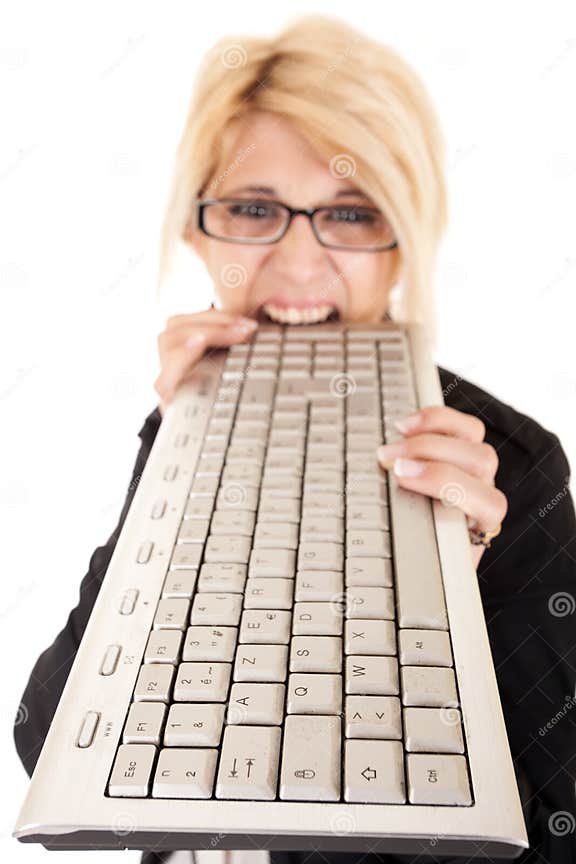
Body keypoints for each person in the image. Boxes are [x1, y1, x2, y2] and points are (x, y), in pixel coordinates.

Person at [14, 13, 576, 864]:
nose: (302, 266)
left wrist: (451, 608)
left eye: (352, 214)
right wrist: (177, 446)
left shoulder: (509, 466)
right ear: (194, 229)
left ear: (410, 233)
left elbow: (552, 842)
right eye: (252, 209)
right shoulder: (184, 415)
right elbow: (49, 743)